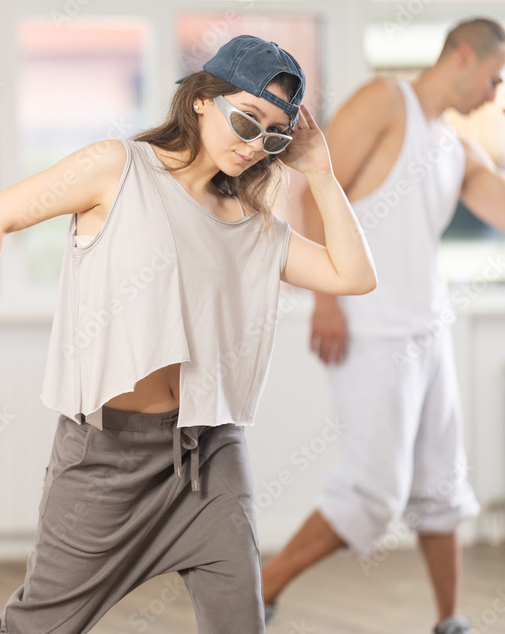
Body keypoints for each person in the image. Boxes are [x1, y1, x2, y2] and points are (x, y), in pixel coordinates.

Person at [0, 35, 376, 633]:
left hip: (207, 452)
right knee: (37, 627)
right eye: (246, 120)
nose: (254, 145)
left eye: (273, 135)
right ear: (201, 99)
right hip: (104, 459)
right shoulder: (117, 168)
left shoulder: (252, 225)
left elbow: (354, 275)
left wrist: (320, 173)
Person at [261, 18, 505, 634]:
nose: (495, 93)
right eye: (495, 77)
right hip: (370, 330)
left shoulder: (455, 143)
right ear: (464, 57)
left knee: (442, 486)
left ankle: (450, 620)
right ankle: (259, 588)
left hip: (429, 331)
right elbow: (312, 189)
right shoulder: (383, 100)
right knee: (373, 494)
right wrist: (325, 299)